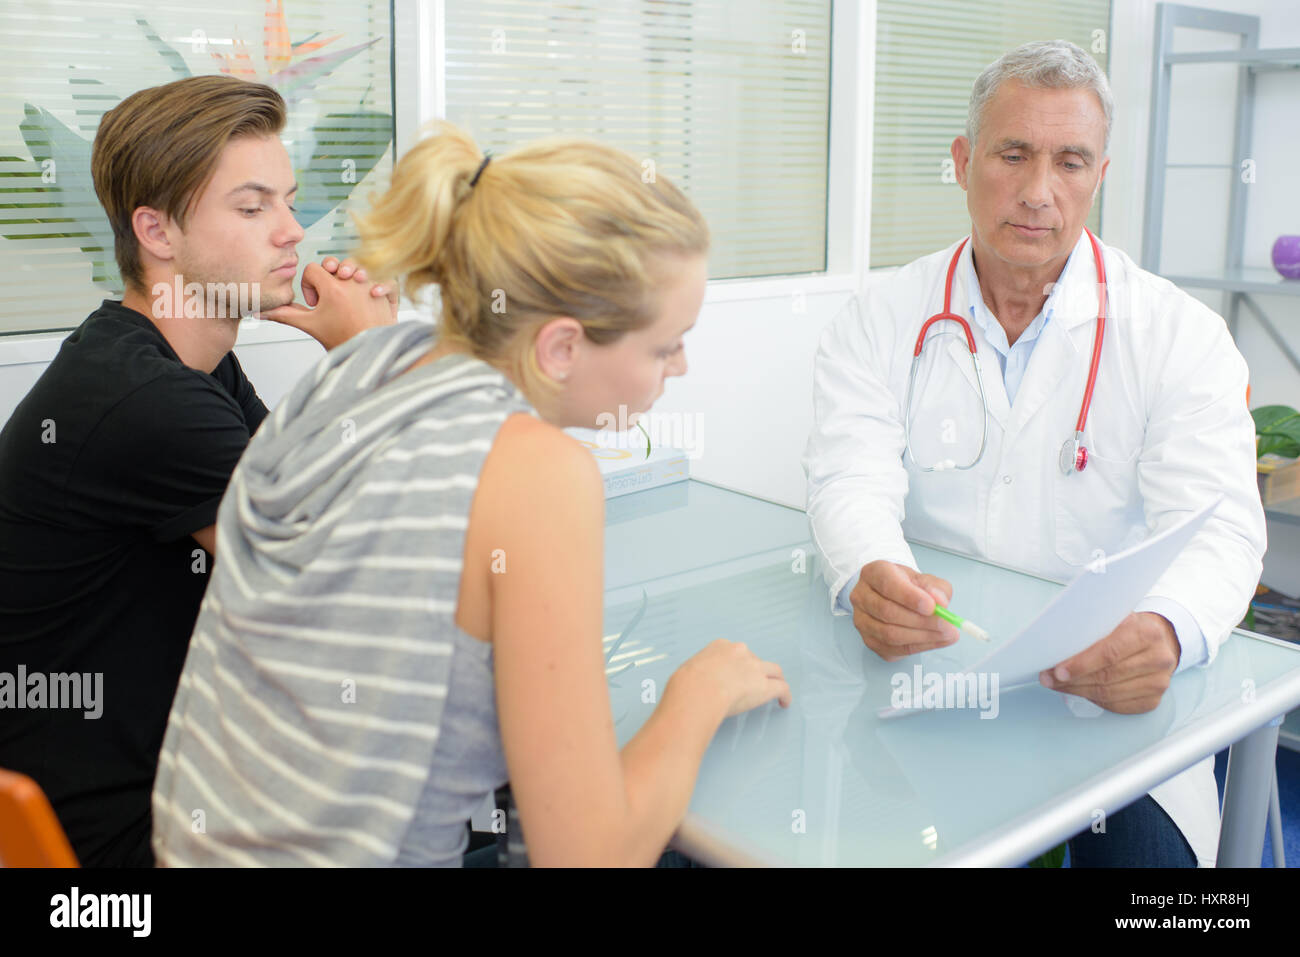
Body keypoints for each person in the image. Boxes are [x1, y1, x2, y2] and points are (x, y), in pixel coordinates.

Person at [151, 121, 792, 867]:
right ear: (558, 347)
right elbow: (587, 856)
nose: (679, 367)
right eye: (664, 344)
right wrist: (698, 695)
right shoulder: (536, 471)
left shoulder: (358, 370)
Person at [802, 40, 1265, 867]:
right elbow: (849, 474)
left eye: (1070, 161)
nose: (1039, 191)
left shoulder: (1179, 335)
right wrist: (867, 566)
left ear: (1100, 174)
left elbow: (1223, 528)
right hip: (937, 669)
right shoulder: (880, 319)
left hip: (1108, 695)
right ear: (963, 159)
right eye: (1013, 153)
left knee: (1160, 888)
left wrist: (1168, 627)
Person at [0, 74, 393, 866]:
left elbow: (322, 512)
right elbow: (362, 589)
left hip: (187, 779)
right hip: (127, 846)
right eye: (253, 208)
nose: (292, 230)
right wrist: (368, 358)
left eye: (288, 200)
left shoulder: (185, 367)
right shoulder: (147, 401)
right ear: (158, 231)